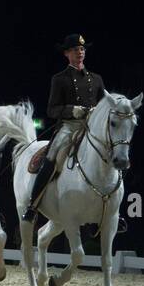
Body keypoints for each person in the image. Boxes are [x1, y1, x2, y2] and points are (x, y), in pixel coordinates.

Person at [22, 34, 105, 222]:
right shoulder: (59, 79)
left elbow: (104, 105)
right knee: (52, 159)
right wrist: (72, 110)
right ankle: (33, 205)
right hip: (69, 127)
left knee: (111, 154)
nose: (80, 53)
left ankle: (110, 209)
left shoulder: (96, 79)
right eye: (76, 50)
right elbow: (52, 110)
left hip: (91, 128)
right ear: (67, 54)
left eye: (82, 49)